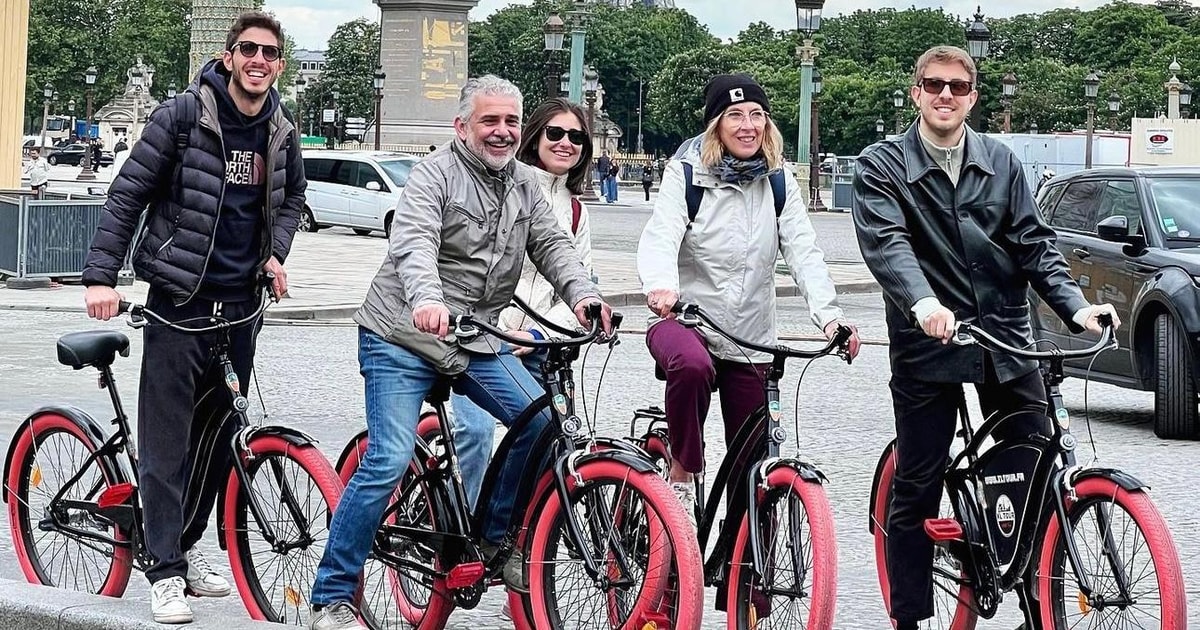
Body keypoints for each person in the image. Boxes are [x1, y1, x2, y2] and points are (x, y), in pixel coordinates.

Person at [307, 76, 609, 630]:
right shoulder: (433, 175)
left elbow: (552, 248)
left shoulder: (523, 184)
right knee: (389, 459)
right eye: (489, 121)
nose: (502, 132)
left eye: (511, 122)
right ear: (462, 127)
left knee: (542, 419)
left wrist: (585, 296)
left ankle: (493, 539)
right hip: (402, 333)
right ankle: (332, 595)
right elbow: (414, 242)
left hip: (474, 336)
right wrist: (426, 299)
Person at [851, 45, 1120, 630]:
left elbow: (1034, 244)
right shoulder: (882, 164)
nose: (945, 94)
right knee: (918, 482)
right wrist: (923, 303)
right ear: (916, 92)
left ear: (973, 97)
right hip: (930, 344)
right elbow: (888, 244)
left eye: (957, 85)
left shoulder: (1002, 161)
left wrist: (1076, 308)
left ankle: (1033, 603)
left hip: (1005, 339)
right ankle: (909, 616)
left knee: (1033, 468)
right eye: (933, 84)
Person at [81, 11, 303, 624]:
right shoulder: (181, 116)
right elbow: (128, 194)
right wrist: (101, 276)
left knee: (217, 437)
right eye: (248, 49)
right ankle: (165, 571)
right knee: (168, 440)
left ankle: (177, 544)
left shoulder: (282, 128)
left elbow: (293, 202)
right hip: (179, 302)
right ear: (229, 57)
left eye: (270, 52)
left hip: (241, 310)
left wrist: (275, 255)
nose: (258, 60)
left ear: (279, 64)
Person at [637, 73, 861, 526]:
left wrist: (831, 319)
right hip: (685, 321)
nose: (748, 125)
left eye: (757, 115)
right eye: (735, 115)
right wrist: (661, 286)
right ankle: (681, 475)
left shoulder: (778, 181)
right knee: (693, 366)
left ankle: (747, 575)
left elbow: (803, 251)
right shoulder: (686, 175)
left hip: (749, 335)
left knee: (754, 470)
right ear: (715, 124)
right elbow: (661, 235)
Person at [449, 96, 595, 510]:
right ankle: (467, 532)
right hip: (483, 337)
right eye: (555, 133)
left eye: (577, 137)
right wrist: (496, 326)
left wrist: (538, 333)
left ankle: (508, 533)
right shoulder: (502, 186)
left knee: (551, 436)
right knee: (475, 434)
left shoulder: (577, 212)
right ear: (533, 137)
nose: (566, 143)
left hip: (538, 343)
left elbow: (578, 286)